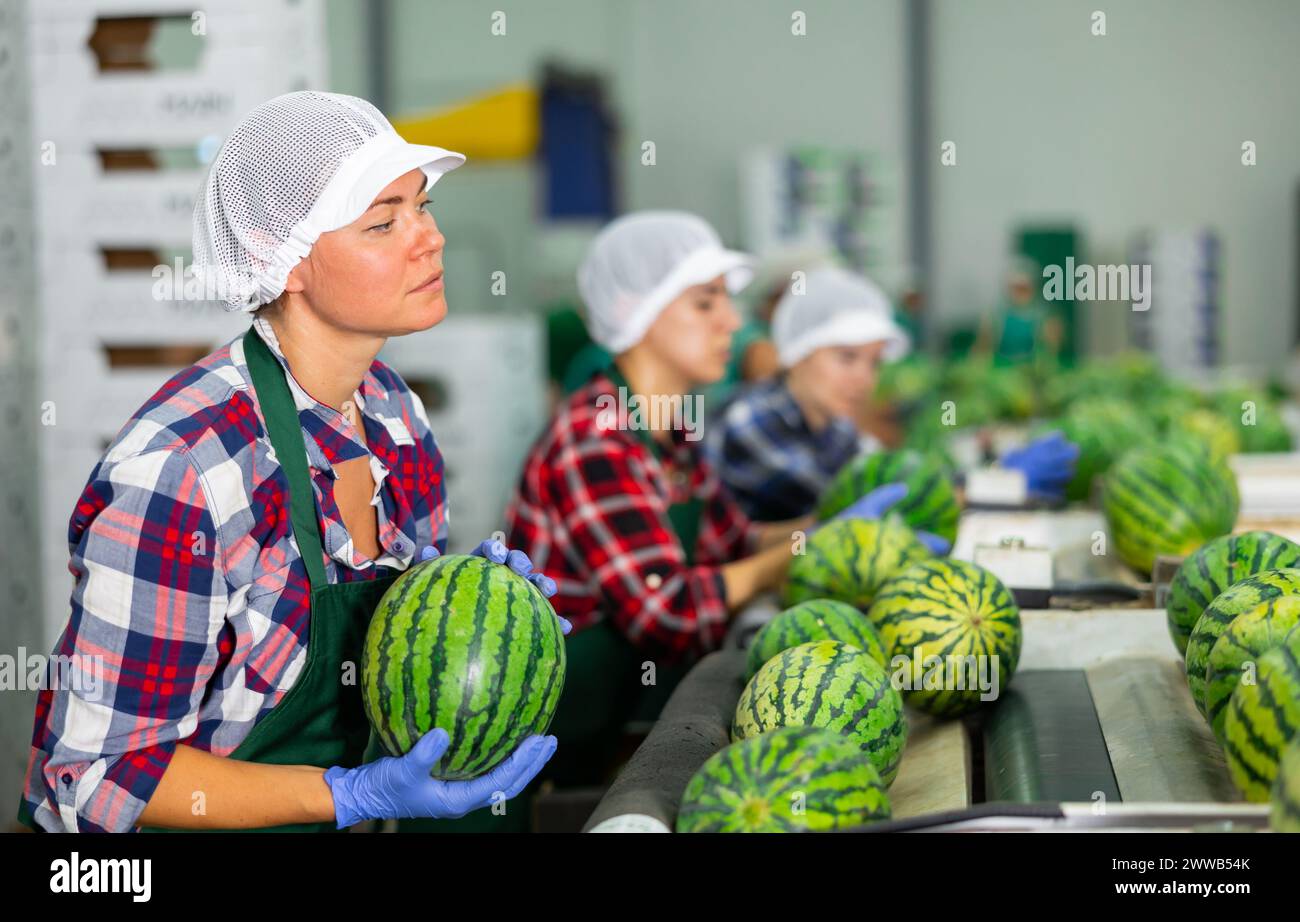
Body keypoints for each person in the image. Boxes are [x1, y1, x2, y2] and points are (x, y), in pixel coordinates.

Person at [19, 91, 563, 833]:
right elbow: (93, 776)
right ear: (286, 261)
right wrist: (346, 794)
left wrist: (473, 609)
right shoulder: (187, 466)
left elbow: (386, 665)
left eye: (421, 205)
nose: (429, 239)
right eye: (382, 223)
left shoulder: (396, 417)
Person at [502, 213, 906, 790]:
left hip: (606, 729)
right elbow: (668, 612)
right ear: (634, 314)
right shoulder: (596, 439)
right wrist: (792, 556)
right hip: (531, 756)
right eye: (706, 302)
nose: (733, 322)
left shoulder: (673, 434)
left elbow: (734, 541)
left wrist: (834, 530)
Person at [709, 266, 1079, 528]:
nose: (864, 380)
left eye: (874, 363)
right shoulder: (753, 421)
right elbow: (859, 506)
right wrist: (1001, 484)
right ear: (799, 353)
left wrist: (991, 476)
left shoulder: (835, 429)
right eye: (847, 358)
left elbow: (901, 479)